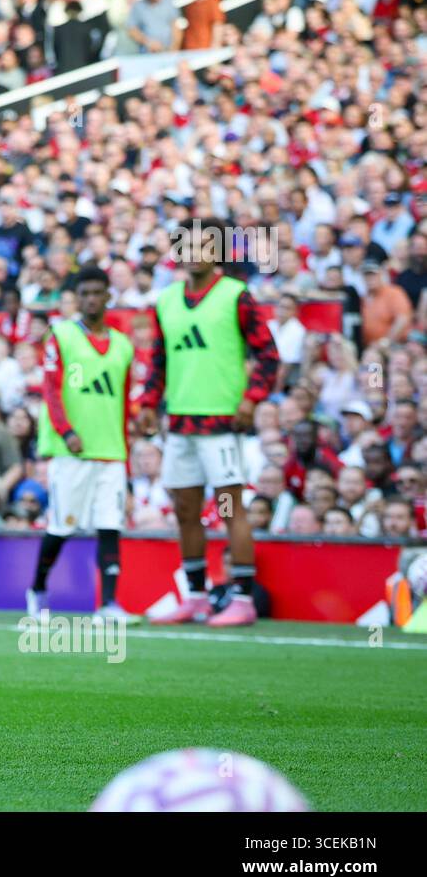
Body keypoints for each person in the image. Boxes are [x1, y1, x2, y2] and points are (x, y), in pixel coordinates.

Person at [138, 219, 280, 626]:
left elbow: (268, 355)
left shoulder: (237, 295)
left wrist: (252, 400)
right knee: (185, 509)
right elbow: (159, 360)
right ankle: (197, 595)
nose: (194, 252)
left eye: (203, 244)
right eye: (187, 245)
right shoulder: (165, 300)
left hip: (222, 421)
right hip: (180, 421)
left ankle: (242, 598)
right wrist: (149, 402)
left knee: (230, 507)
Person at [28, 267, 139, 622]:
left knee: (110, 525)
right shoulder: (60, 334)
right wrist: (65, 430)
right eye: (85, 293)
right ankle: (38, 590)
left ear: (108, 296)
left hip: (112, 450)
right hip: (71, 449)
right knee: (63, 525)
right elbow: (51, 387)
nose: (92, 299)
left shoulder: (123, 345)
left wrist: (126, 448)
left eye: (98, 292)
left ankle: (108, 604)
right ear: (78, 298)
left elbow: (123, 404)